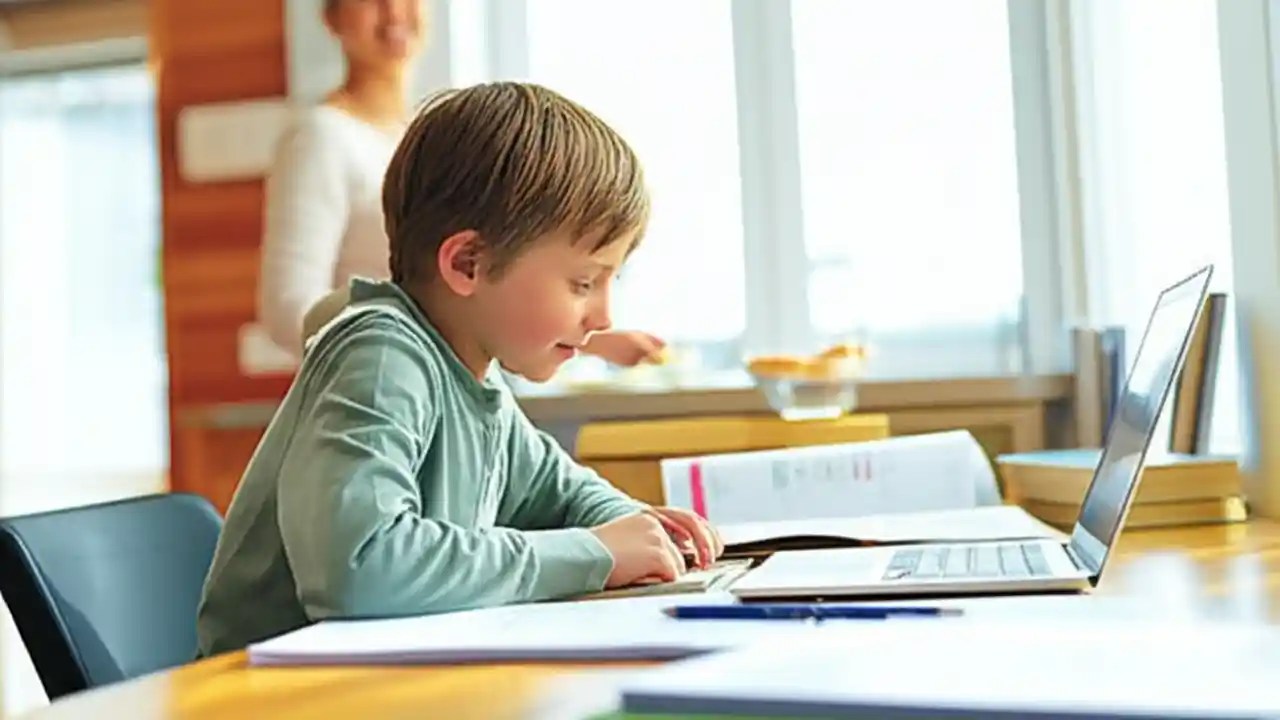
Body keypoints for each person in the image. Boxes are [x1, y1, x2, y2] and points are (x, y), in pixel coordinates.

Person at [196, 82, 723, 656]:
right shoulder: (381, 357)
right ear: (468, 263)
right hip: (262, 697)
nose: (603, 316)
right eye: (583, 283)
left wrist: (639, 529)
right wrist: (597, 553)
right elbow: (360, 567)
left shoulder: (474, 374)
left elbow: (563, 493)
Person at [259, 0, 663, 366]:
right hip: (382, 382)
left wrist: (584, 339)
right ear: (333, 18)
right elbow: (285, 307)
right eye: (373, 1)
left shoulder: (439, 138)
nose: (395, 13)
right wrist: (393, 355)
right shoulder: (321, 137)